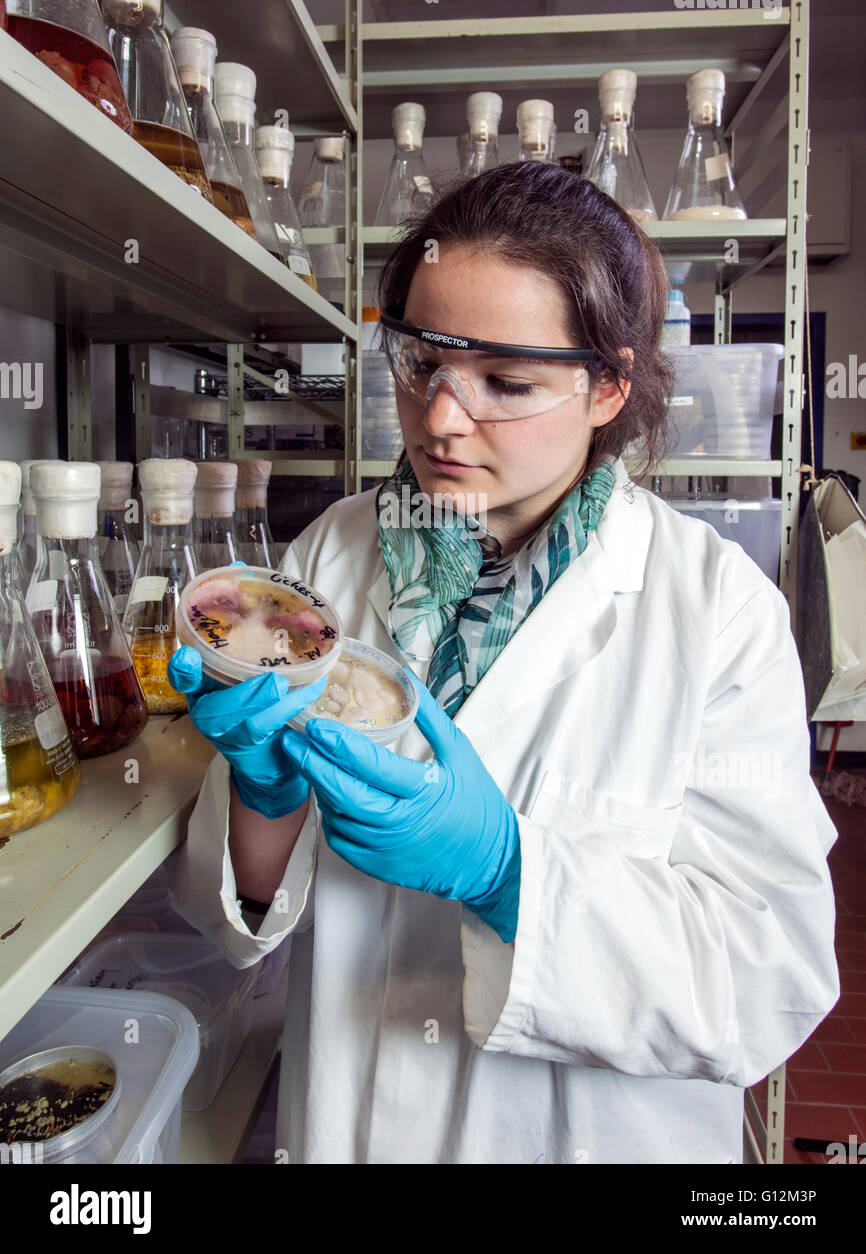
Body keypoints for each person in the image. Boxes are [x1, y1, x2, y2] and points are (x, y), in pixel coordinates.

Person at [163, 163, 839, 1164]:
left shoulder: (715, 610)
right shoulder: (324, 562)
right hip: (345, 1121)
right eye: (419, 362)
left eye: (505, 383)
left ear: (607, 384)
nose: (438, 417)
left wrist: (506, 871)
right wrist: (260, 801)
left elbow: (766, 973)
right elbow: (250, 915)